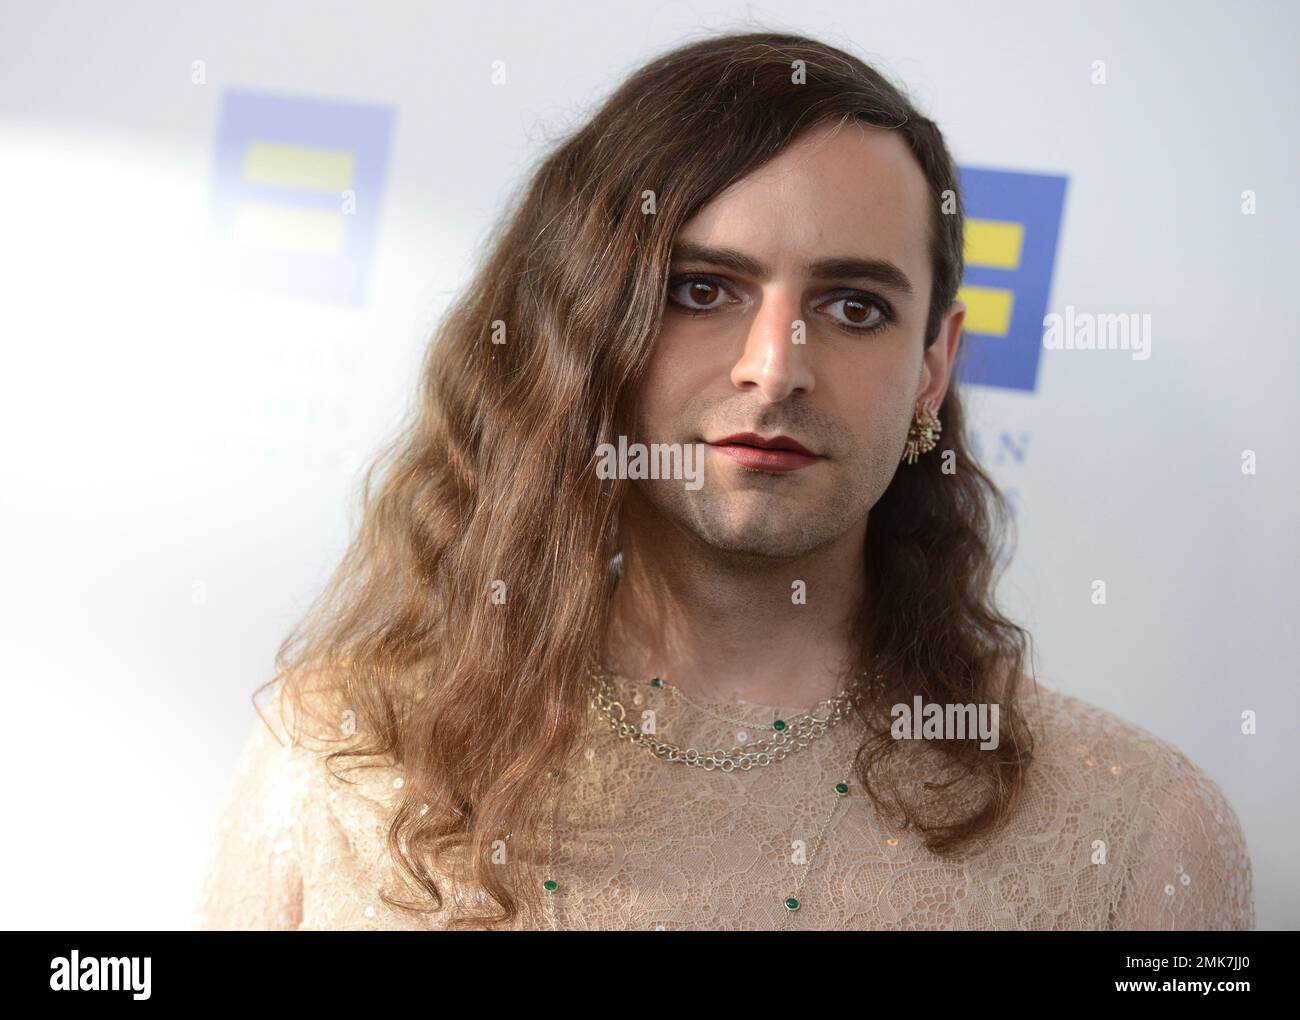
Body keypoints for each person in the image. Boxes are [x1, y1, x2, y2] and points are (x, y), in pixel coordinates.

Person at [195, 31, 1254, 931]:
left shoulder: (1139, 837)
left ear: (935, 364)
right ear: (588, 331)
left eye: (854, 307)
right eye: (701, 289)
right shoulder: (341, 758)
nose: (775, 366)